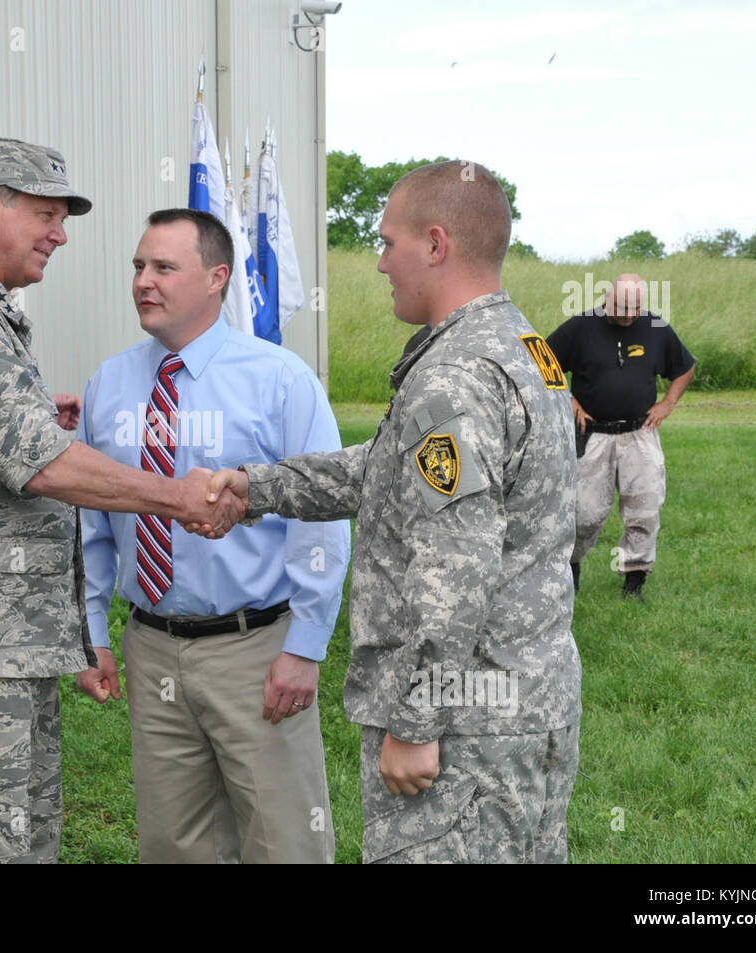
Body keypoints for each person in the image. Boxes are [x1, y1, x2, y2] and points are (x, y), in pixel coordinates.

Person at [202, 160, 582, 863]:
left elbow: (454, 570)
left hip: (468, 727)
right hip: (528, 697)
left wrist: (417, 720)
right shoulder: (527, 348)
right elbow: (388, 470)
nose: (379, 263)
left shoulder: (454, 378)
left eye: (387, 242)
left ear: (435, 244)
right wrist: (256, 487)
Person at [0, 140, 243, 863]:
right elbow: (38, 463)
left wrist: (35, 410)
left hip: (2, 645)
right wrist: (173, 496)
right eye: (46, 214)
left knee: (23, 838)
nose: (61, 233)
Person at [75, 208, 350, 863]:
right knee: (174, 844)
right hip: (152, 645)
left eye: (164, 266)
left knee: (285, 840)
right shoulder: (109, 383)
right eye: (139, 266)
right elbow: (91, 523)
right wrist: (91, 631)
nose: (143, 280)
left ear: (216, 277)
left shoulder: (280, 380)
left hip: (254, 651)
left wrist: (305, 646)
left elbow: (324, 515)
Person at [546, 274, 695, 601]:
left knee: (644, 508)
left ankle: (634, 583)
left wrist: (668, 403)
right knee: (584, 513)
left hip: (640, 434)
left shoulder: (655, 326)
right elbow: (544, 363)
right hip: (593, 434)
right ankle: (571, 572)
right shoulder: (580, 327)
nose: (630, 315)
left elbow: (685, 366)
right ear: (607, 299)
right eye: (623, 307)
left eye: (636, 308)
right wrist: (569, 401)